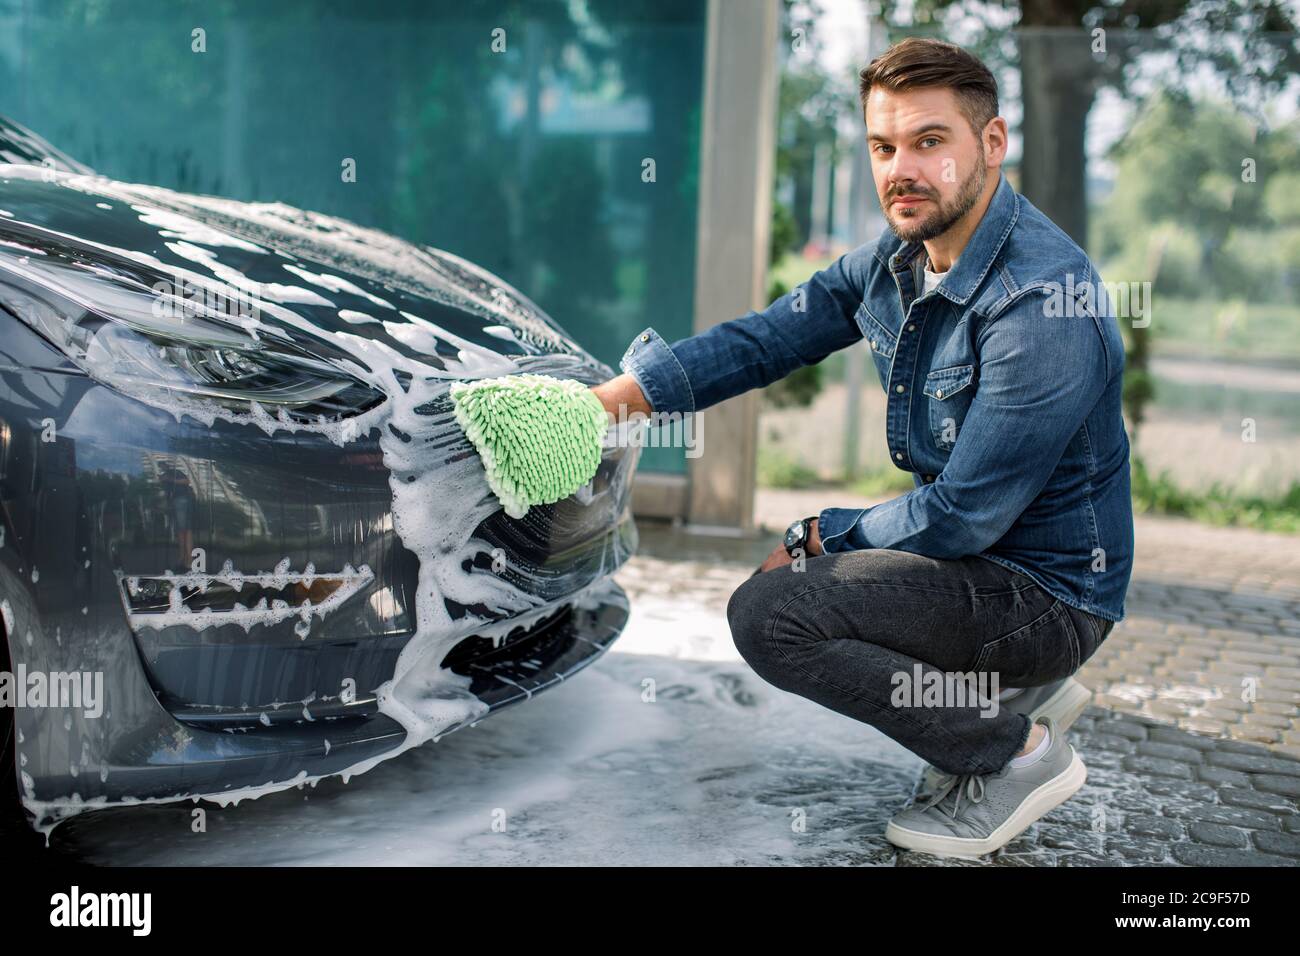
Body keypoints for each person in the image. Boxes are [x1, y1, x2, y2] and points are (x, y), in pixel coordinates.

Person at [589, 36, 1132, 859]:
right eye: (883, 146)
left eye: (929, 141)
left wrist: (815, 535)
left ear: (991, 144)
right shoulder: (899, 259)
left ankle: (1014, 753)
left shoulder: (1041, 305)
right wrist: (618, 402)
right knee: (804, 591)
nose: (900, 170)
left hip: (1047, 594)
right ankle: (1009, 694)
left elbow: (959, 519)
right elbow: (770, 338)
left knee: (775, 614)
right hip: (974, 571)